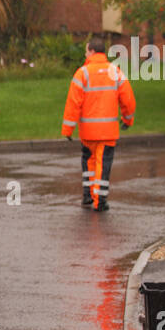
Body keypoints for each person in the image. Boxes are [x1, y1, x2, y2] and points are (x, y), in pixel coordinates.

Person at [61, 37, 136, 212]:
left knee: (89, 162)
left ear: (92, 51)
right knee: (103, 165)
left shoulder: (82, 73)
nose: (85, 54)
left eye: (86, 51)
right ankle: (100, 200)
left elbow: (73, 103)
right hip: (108, 132)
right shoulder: (115, 72)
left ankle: (88, 195)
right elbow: (128, 99)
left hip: (88, 132)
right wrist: (127, 120)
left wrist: (68, 129)